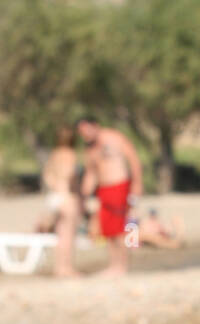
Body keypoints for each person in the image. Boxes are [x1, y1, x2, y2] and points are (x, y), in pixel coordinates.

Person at [77, 117, 143, 276]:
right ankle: (114, 265)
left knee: (123, 226)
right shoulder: (90, 150)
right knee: (108, 229)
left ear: (95, 126)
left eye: (86, 130)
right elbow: (91, 174)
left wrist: (137, 183)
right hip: (103, 190)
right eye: (81, 133)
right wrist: (83, 195)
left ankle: (122, 266)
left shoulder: (114, 137)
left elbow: (133, 158)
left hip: (120, 185)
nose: (85, 135)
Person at [38, 125, 81, 277]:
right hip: (67, 196)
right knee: (68, 234)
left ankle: (59, 267)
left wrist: (55, 186)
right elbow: (70, 174)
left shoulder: (54, 154)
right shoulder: (70, 154)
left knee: (60, 234)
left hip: (54, 196)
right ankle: (67, 267)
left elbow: (47, 175)